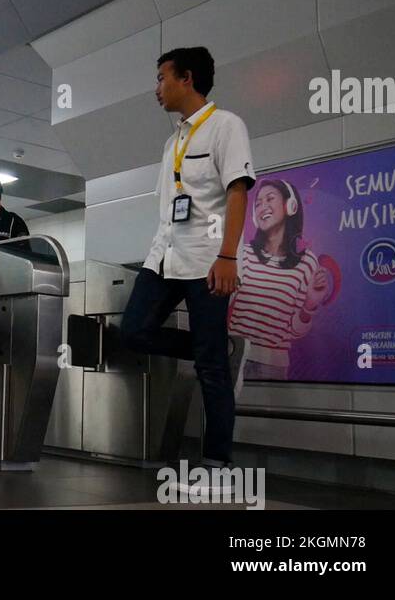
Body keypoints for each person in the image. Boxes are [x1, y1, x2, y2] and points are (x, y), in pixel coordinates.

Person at [120, 47, 255, 469]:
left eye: (162, 78)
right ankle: (211, 347)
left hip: (207, 261)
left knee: (211, 369)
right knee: (132, 333)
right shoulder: (172, 140)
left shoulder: (226, 126)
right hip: (164, 258)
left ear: (187, 78)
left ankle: (216, 459)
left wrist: (228, 256)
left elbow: (237, 192)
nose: (156, 88)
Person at [228, 179, 332, 381]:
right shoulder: (243, 253)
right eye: (257, 203)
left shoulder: (307, 262)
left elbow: (294, 332)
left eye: (269, 199)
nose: (262, 207)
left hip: (272, 366)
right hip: (233, 355)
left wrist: (309, 304)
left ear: (290, 205)